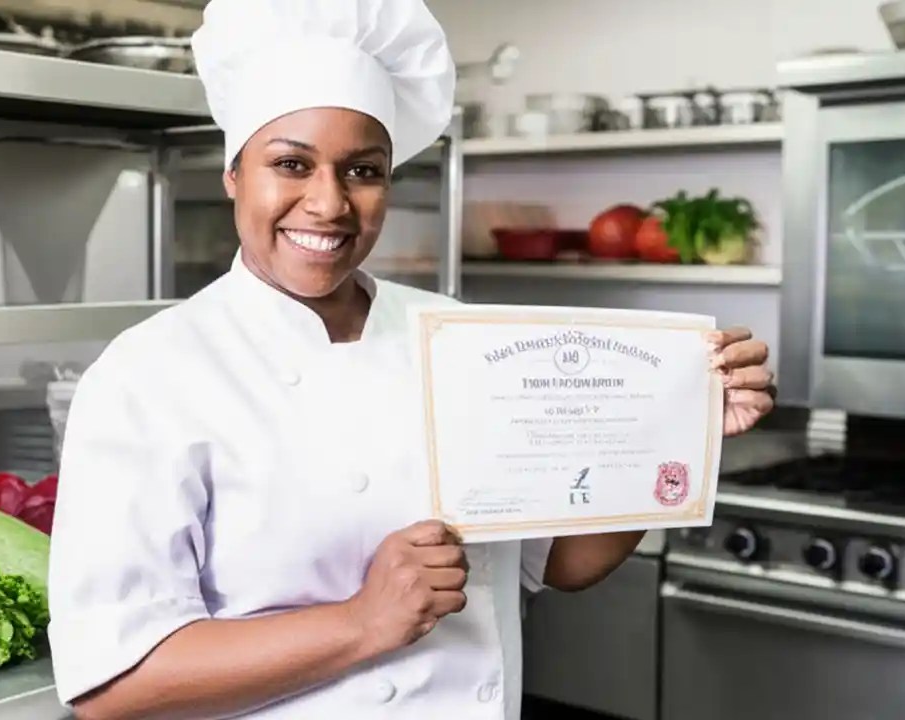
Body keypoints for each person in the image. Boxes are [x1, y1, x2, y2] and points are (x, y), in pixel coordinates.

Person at [47, 0, 775, 718]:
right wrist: (363, 622)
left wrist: (678, 420)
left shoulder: (457, 337)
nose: (329, 204)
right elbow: (116, 687)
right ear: (234, 175)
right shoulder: (150, 374)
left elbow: (558, 563)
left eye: (363, 171)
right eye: (291, 164)